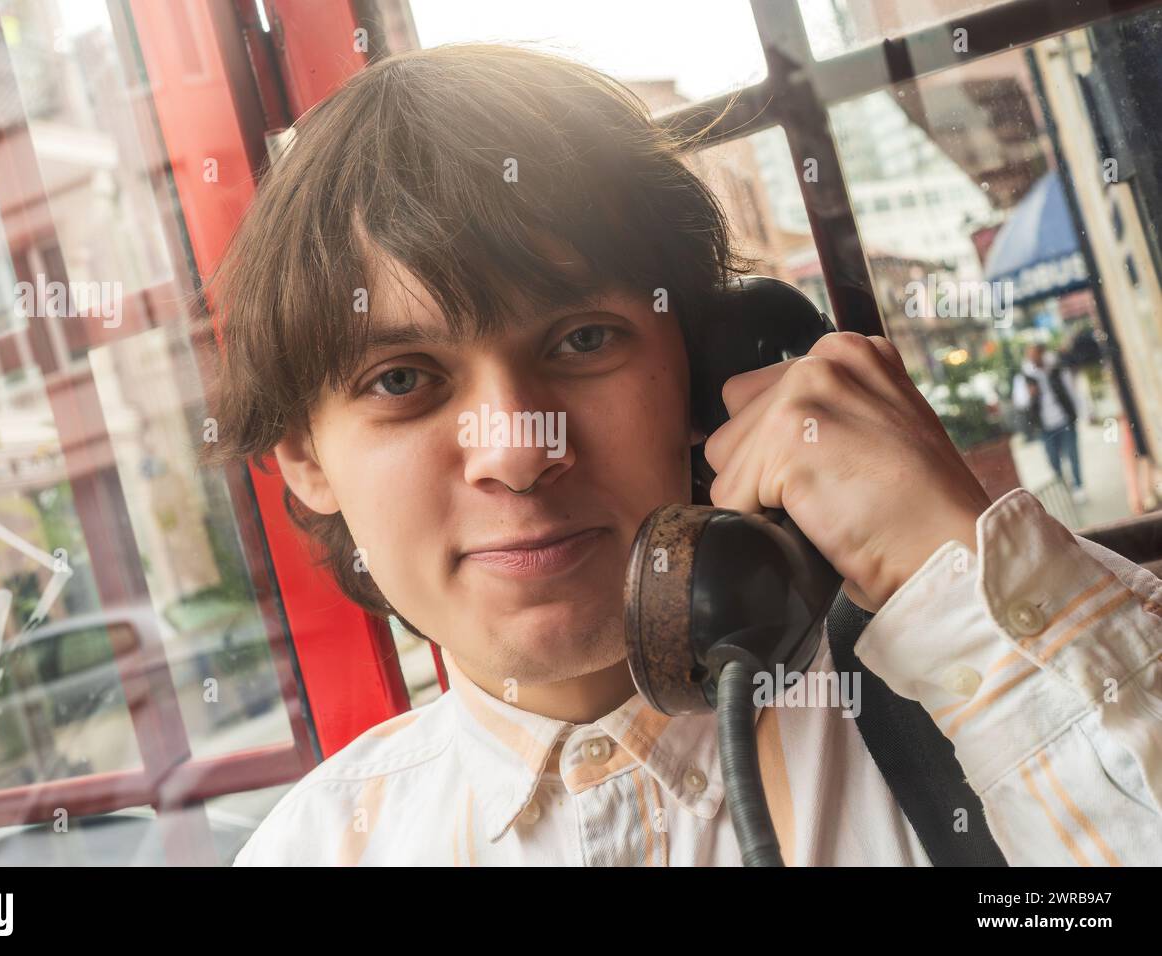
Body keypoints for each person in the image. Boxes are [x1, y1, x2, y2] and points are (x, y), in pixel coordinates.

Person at [209, 44, 1162, 865]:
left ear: (707, 370)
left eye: (582, 341)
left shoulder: (1016, 676)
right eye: (403, 381)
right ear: (304, 457)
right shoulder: (312, 851)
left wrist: (961, 591)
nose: (518, 455)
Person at [1012, 341, 1088, 505]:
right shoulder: (1024, 378)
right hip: (1045, 426)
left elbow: (1072, 391)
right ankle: (1063, 486)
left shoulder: (1057, 370)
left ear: (1043, 355)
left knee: (1073, 454)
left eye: (1037, 355)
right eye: (1031, 356)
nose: (1035, 359)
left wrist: (1084, 412)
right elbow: (1020, 402)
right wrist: (1030, 394)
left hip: (1065, 420)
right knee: (1053, 459)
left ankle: (1078, 487)